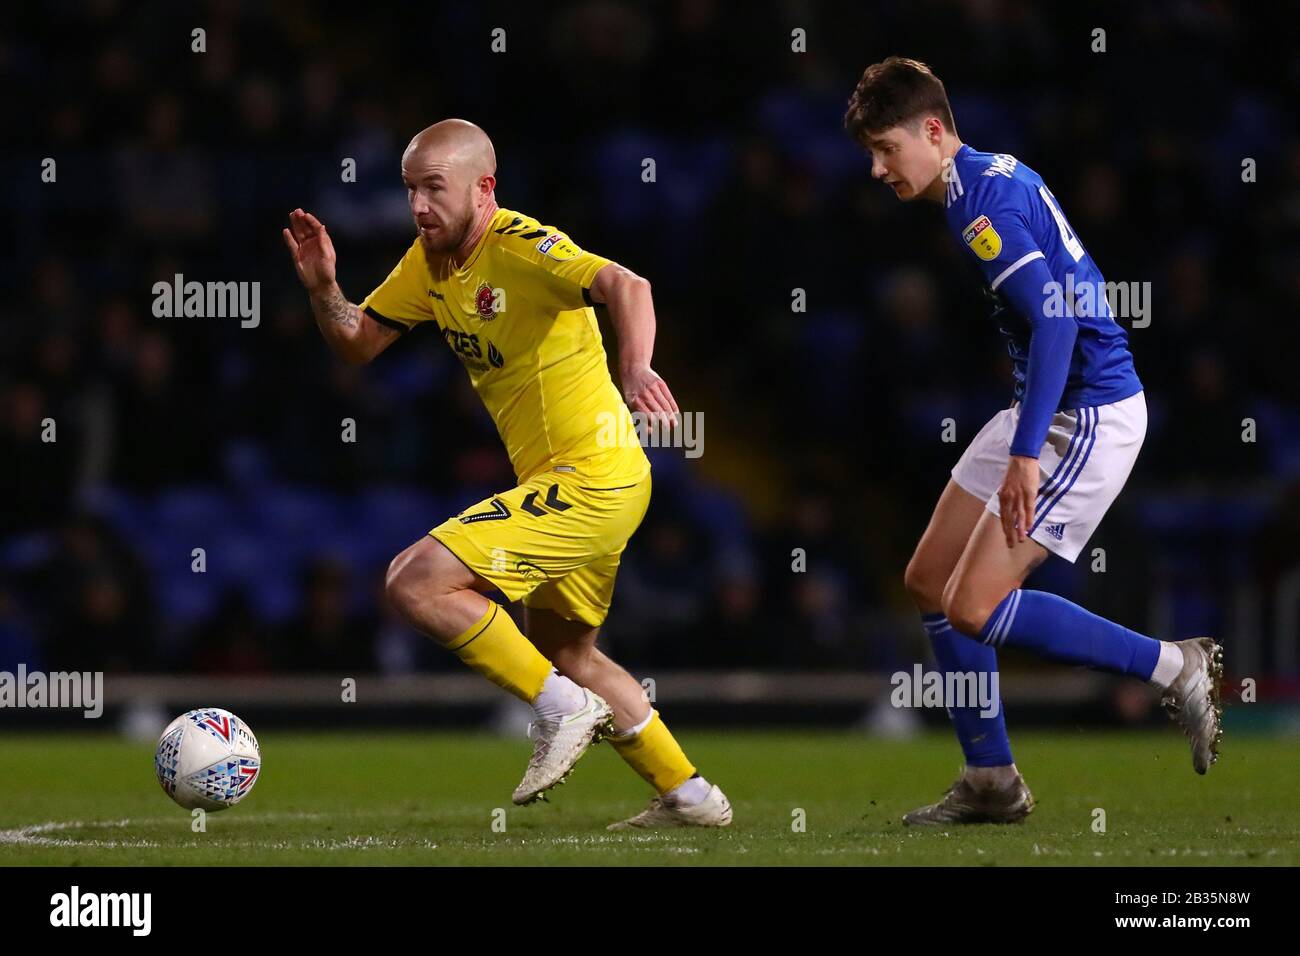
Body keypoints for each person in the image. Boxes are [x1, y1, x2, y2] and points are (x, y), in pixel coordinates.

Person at [283, 119, 731, 829]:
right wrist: (324, 287)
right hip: (573, 485)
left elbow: (627, 283)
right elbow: (358, 341)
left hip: (593, 475)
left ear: (484, 188)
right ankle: (690, 796)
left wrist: (636, 365)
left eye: (435, 188)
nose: (420, 207)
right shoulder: (428, 265)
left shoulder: (520, 244)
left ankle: (558, 706)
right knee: (566, 650)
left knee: (414, 582)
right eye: (410, 191)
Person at [843, 58, 1223, 825]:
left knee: (975, 607)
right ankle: (991, 782)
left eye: (886, 149)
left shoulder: (977, 202)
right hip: (1040, 404)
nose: (878, 170)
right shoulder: (984, 176)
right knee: (929, 581)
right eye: (870, 156)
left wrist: (1023, 456)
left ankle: (1175, 664)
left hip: (1088, 413)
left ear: (933, 129)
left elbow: (1054, 317)